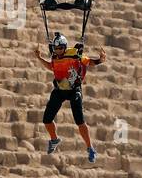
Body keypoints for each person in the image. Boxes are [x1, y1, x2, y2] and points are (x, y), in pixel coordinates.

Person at [33, 32, 107, 162]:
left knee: (80, 121)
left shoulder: (75, 55)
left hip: (74, 90)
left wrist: (100, 60)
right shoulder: (55, 57)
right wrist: (39, 58)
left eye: (60, 48)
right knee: (46, 119)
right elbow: (51, 67)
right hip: (60, 90)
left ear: (65, 47)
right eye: (56, 49)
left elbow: (90, 62)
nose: (58, 51)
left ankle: (90, 148)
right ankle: (54, 139)